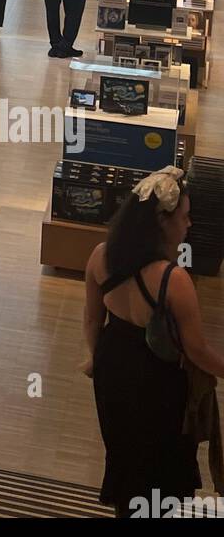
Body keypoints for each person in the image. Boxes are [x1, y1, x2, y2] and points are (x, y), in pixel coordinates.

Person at [83, 167, 224, 518]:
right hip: (158, 382)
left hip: (112, 369)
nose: (188, 225)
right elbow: (196, 350)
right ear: (163, 221)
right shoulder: (173, 280)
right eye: (185, 217)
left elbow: (91, 319)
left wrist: (96, 360)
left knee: (125, 459)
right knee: (162, 470)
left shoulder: (100, 255)